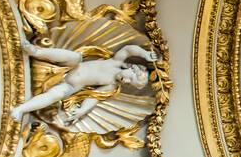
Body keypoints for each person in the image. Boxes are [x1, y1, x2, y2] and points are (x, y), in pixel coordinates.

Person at [12, 38, 159, 124]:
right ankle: (37, 52)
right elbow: (128, 49)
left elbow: (92, 98)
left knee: (56, 95)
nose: (126, 81)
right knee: (75, 58)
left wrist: (82, 110)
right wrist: (145, 54)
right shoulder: (115, 61)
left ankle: (21, 109)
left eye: (129, 83)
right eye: (129, 78)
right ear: (132, 68)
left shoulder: (110, 85)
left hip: (70, 85)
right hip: (69, 67)